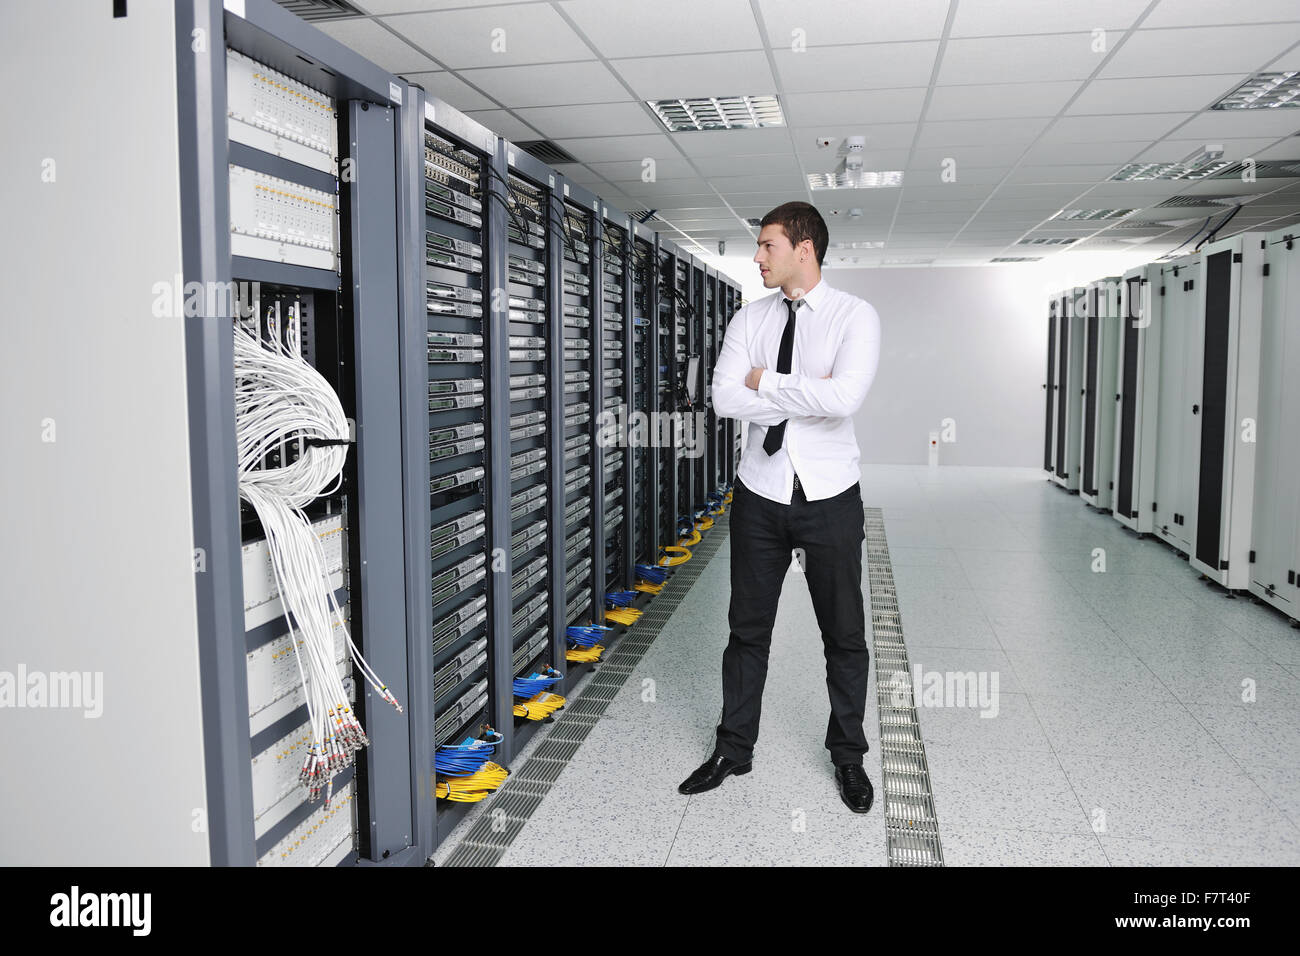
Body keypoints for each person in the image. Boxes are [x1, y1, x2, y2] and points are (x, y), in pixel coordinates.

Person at [678, 201, 882, 813]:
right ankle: (733, 749)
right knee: (747, 631)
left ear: (805, 249)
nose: (758, 257)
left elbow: (844, 398)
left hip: (830, 498)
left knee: (844, 635)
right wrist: (798, 396)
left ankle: (848, 755)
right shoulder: (751, 317)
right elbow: (721, 398)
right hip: (760, 496)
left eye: (767, 245)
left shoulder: (854, 317)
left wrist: (762, 382)